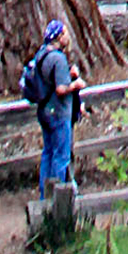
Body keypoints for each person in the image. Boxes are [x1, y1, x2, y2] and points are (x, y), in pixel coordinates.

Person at [29, 19, 86, 198]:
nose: (68, 36)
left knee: (48, 153)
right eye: (66, 33)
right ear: (59, 37)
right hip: (59, 113)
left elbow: (50, 79)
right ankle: (59, 198)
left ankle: (44, 194)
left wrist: (68, 76)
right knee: (61, 156)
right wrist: (76, 84)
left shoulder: (42, 54)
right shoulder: (59, 59)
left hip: (44, 111)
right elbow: (60, 89)